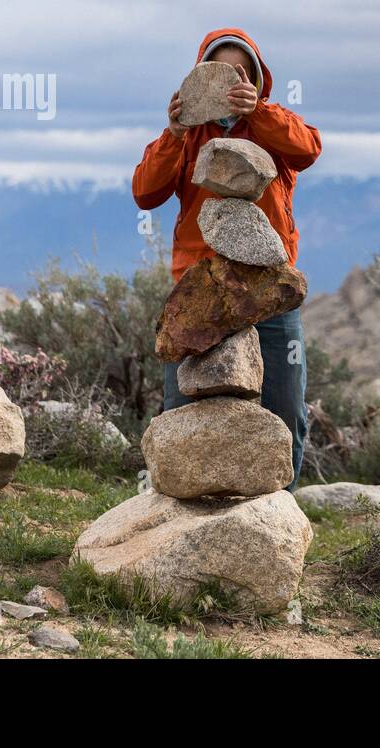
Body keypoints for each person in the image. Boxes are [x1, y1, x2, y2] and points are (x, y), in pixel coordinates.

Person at [132, 27, 321, 489]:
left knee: (286, 408)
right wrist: (175, 132)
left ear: (256, 79)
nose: (232, 81)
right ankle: (176, 504)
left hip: (268, 287)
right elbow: (145, 192)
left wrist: (259, 113)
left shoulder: (272, 125)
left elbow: (309, 148)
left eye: (242, 72)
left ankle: (279, 506)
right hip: (203, 283)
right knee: (182, 405)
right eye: (221, 71)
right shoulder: (187, 136)